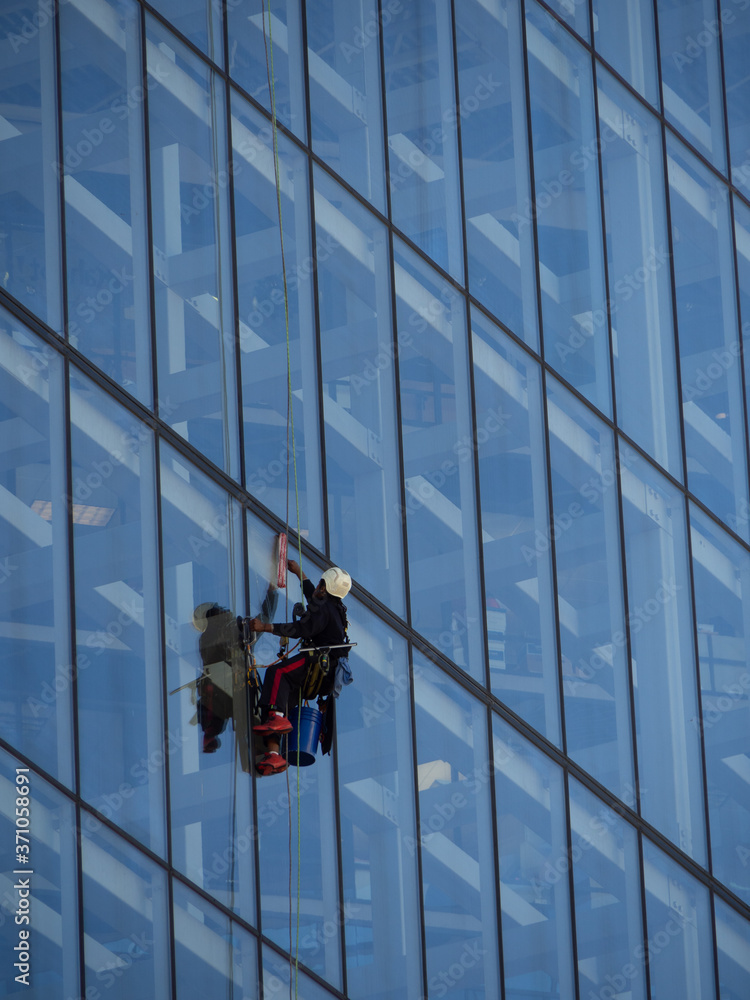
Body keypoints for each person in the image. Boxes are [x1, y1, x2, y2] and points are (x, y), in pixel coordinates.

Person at [247, 560, 351, 775]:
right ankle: (274, 755)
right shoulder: (336, 609)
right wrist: (299, 573)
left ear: (324, 586)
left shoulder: (324, 609)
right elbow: (314, 596)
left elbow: (301, 628)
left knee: (278, 672)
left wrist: (264, 627)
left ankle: (276, 718)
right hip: (325, 677)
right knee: (279, 701)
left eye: (321, 584)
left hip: (317, 663)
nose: (318, 589)